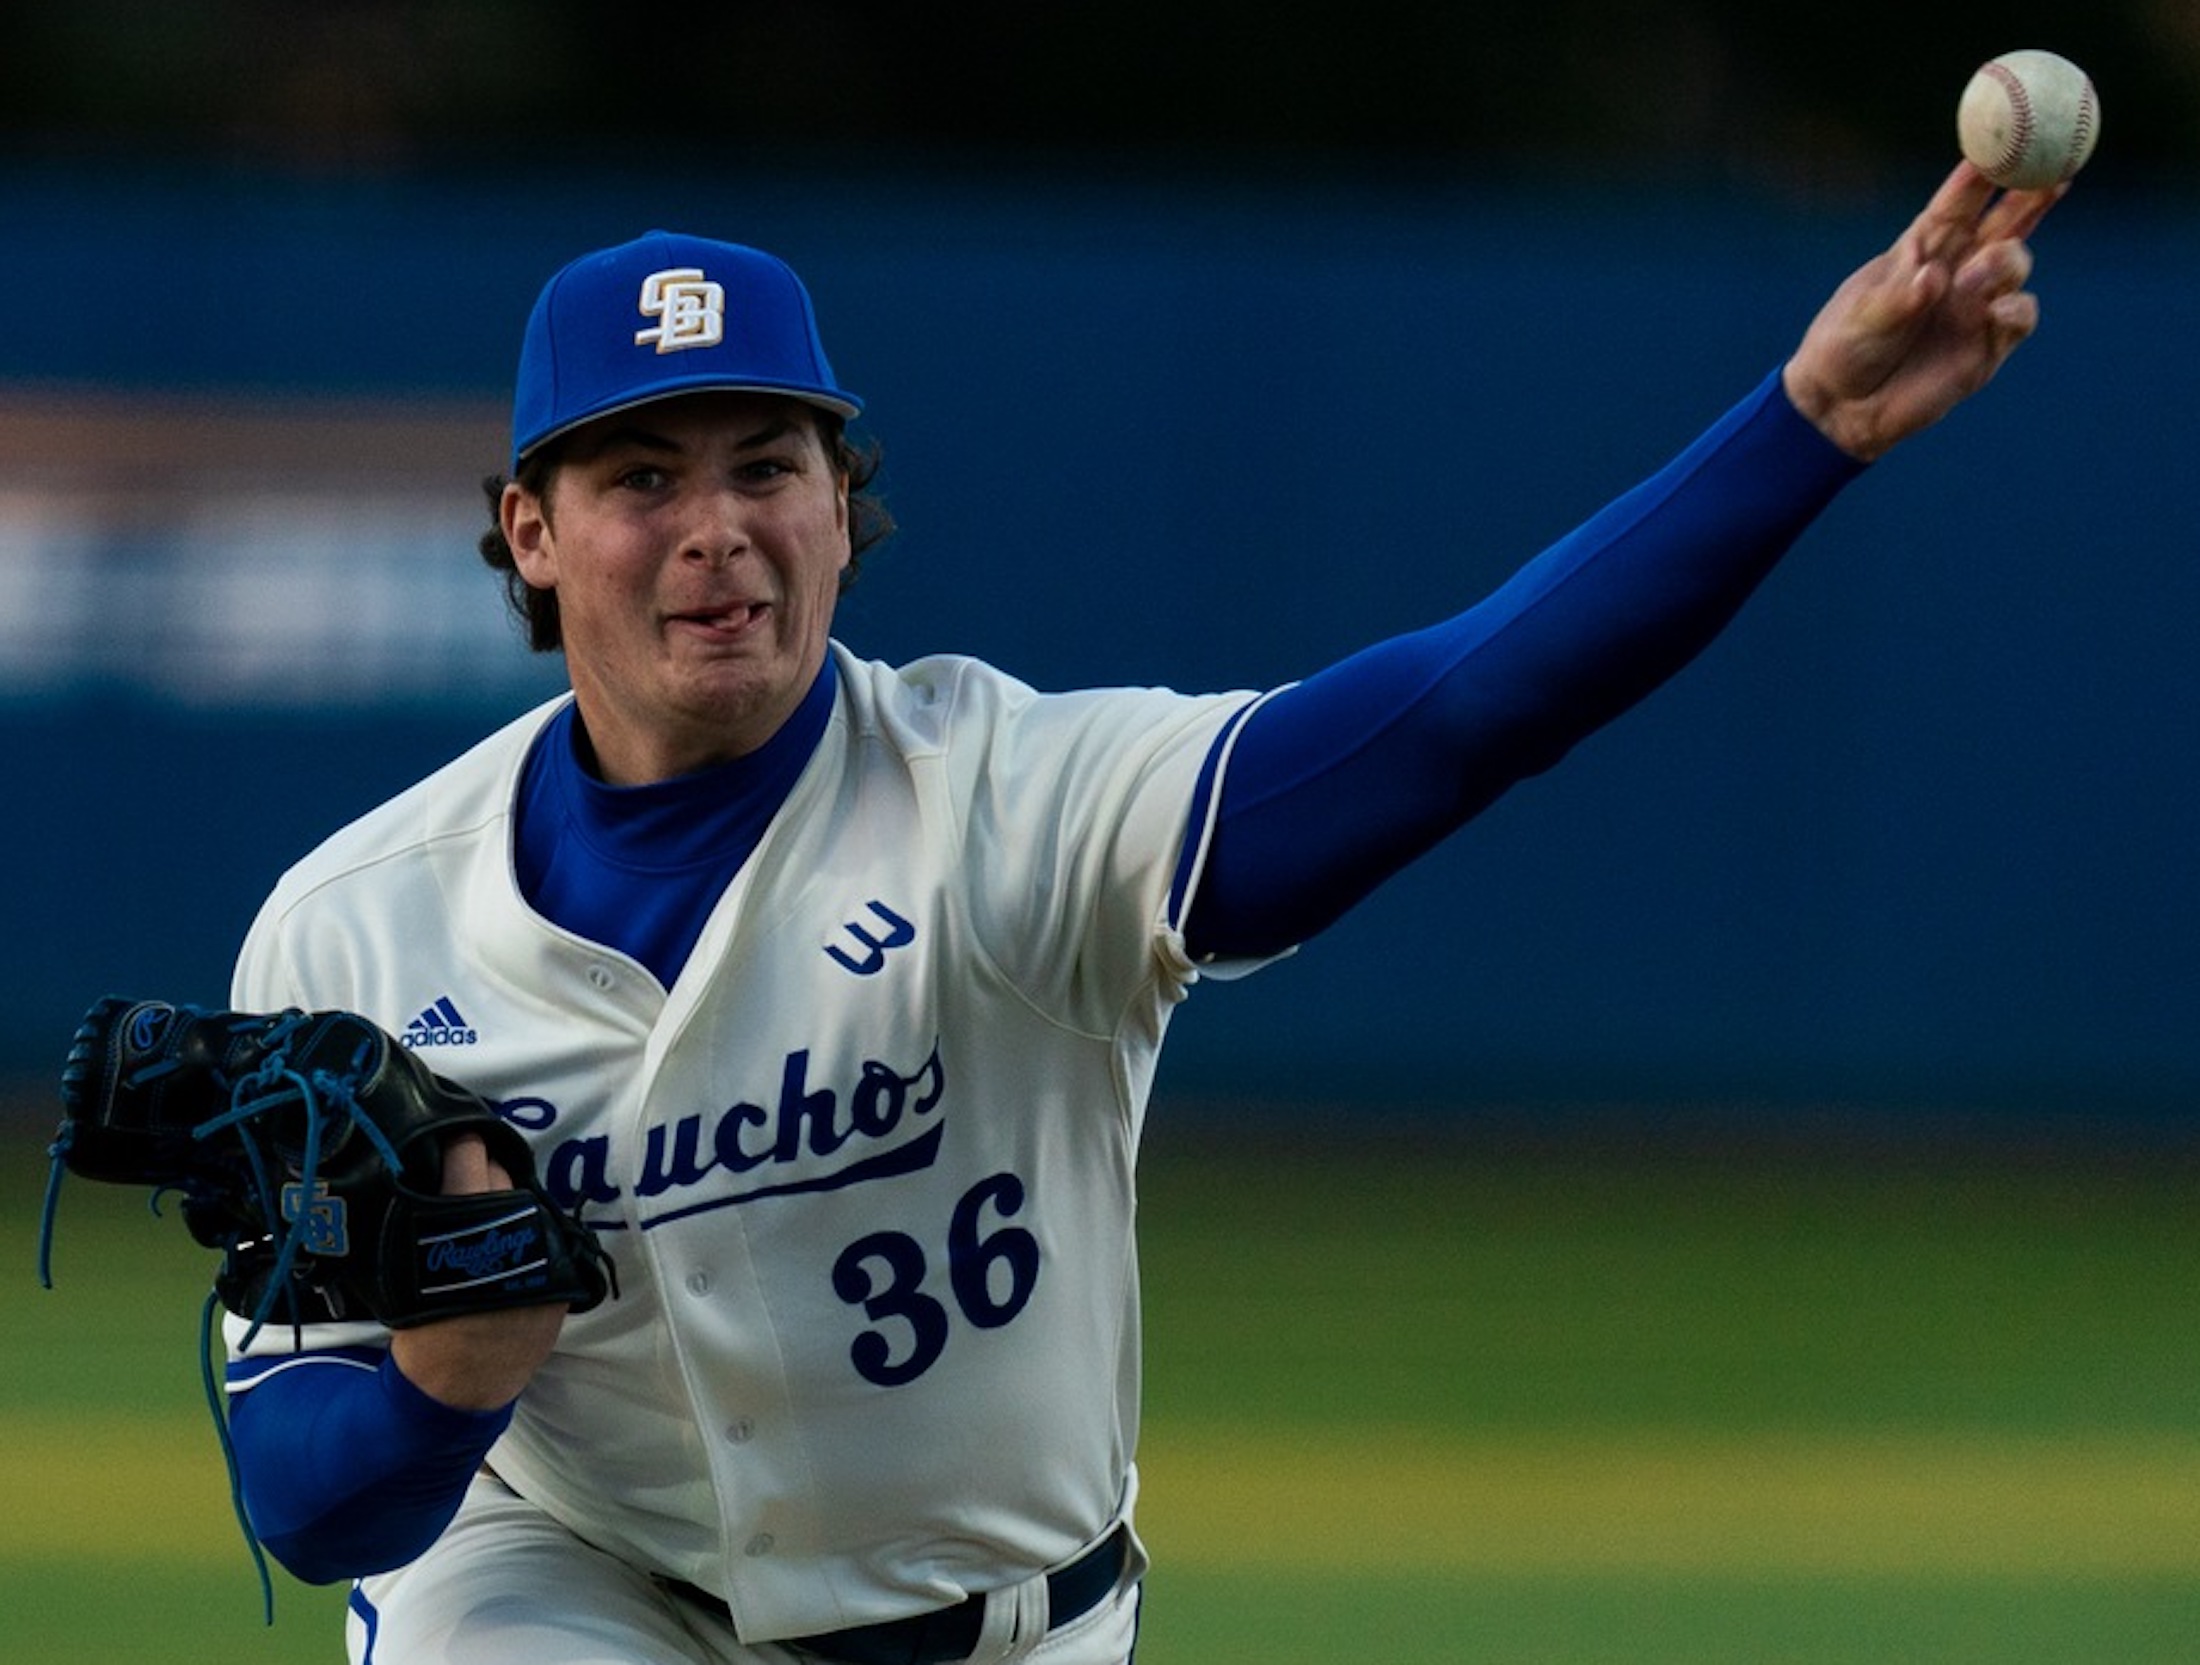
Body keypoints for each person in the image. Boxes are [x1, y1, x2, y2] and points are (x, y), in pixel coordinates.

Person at [219, 164, 2060, 1665]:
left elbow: (1451, 721)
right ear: (532, 532)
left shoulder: (1013, 804)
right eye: (643, 479)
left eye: (766, 464)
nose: (717, 527)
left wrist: (1804, 427)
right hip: (562, 1585)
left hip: (1012, 1620)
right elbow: (304, 1501)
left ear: (841, 509)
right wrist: (441, 1388)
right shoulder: (358, 933)